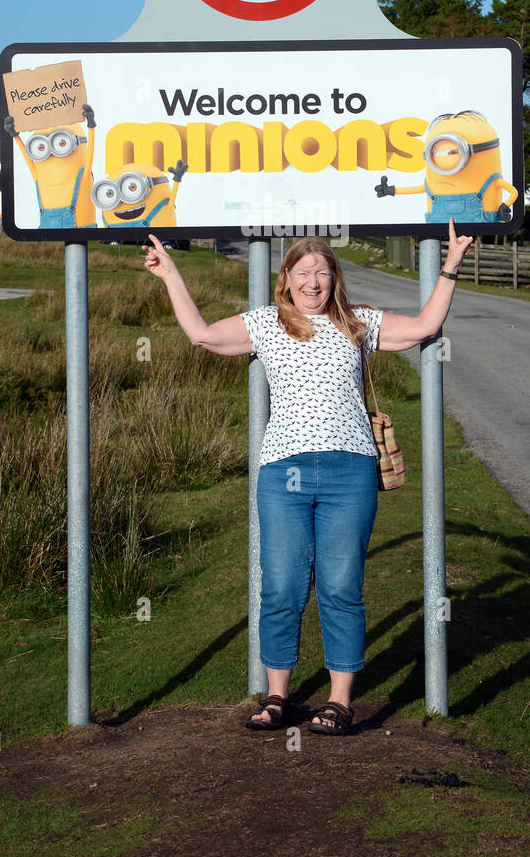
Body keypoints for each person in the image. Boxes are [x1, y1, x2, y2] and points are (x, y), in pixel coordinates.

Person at [141, 222, 473, 736]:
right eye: (303, 272)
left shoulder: (359, 322)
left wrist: (451, 265)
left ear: (334, 278)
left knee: (341, 588)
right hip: (283, 473)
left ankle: (340, 703)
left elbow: (426, 326)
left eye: (322, 272)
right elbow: (202, 335)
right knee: (281, 587)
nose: (312, 281)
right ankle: (277, 698)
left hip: (350, 471)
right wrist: (170, 274)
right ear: (286, 278)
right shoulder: (267, 323)